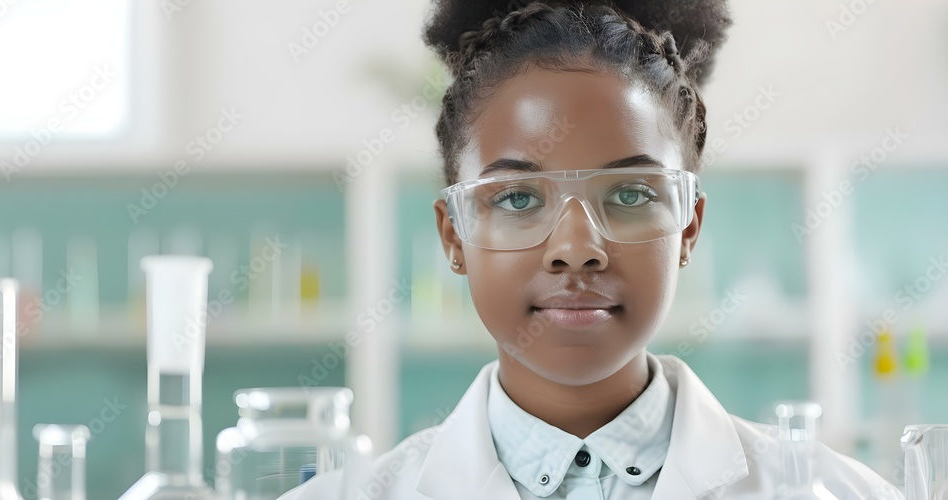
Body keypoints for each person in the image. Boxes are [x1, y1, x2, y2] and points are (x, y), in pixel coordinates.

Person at [281, 1, 904, 498]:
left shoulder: (837, 492)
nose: (576, 250)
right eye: (519, 198)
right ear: (455, 236)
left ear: (688, 228)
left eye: (630, 194)